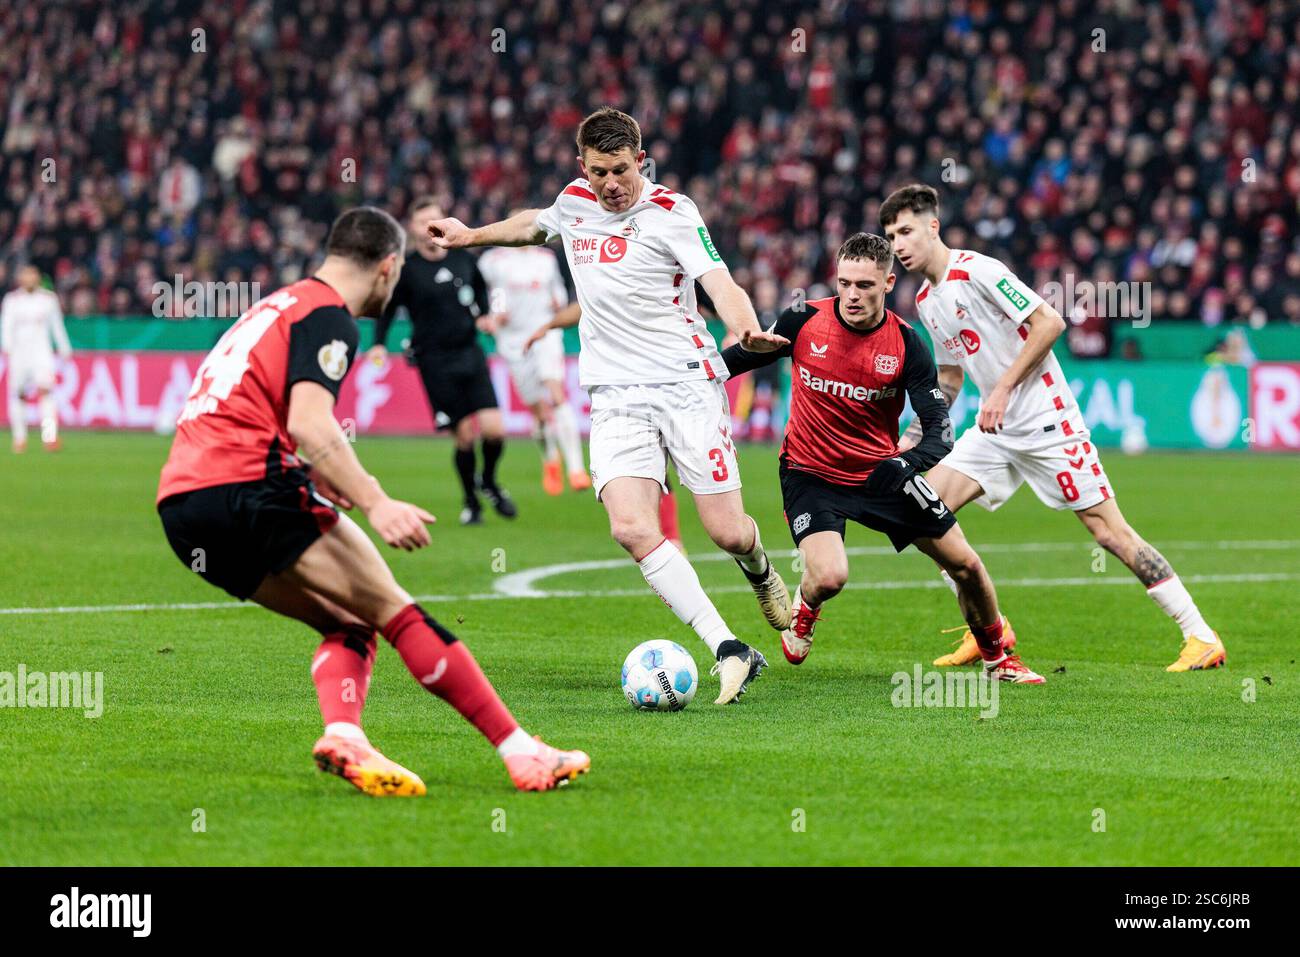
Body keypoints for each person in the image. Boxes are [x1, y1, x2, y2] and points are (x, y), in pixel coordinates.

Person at [156, 207, 589, 795]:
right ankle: (522, 751)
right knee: (395, 609)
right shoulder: (329, 317)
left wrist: (311, 470)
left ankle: (345, 736)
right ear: (388, 268)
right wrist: (377, 500)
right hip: (251, 488)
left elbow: (254, 409)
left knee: (348, 622)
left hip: (184, 508)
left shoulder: (276, 306)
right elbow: (310, 421)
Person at [427, 107, 791, 704]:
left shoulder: (674, 212)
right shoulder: (574, 201)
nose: (611, 184)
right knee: (629, 527)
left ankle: (760, 569)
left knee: (726, 532)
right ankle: (729, 647)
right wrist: (472, 234)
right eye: (600, 172)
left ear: (641, 161)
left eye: (621, 170)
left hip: (684, 384)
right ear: (583, 167)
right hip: (615, 394)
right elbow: (534, 225)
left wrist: (746, 329)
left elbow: (720, 282)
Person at [881, 184, 1224, 672]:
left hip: (1047, 423)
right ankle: (989, 630)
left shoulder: (979, 271)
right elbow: (951, 377)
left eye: (907, 231)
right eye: (891, 235)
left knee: (1109, 532)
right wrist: (914, 435)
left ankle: (1200, 635)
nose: (898, 244)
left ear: (933, 227)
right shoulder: (926, 300)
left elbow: (1049, 322)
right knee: (918, 512)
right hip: (996, 433)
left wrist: (1000, 390)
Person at [722, 233, 1043, 682]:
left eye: (865, 286)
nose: (852, 295)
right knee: (830, 577)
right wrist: (693, 376)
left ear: (889, 282)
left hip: (881, 473)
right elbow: (736, 362)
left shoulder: (907, 345)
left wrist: (903, 464)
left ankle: (997, 660)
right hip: (810, 473)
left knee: (966, 564)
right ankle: (807, 605)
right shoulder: (802, 319)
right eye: (845, 283)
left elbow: (940, 431)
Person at [367, 197, 515, 525]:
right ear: (413, 228)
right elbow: (387, 309)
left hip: (469, 351)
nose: (429, 225)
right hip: (434, 361)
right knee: (464, 436)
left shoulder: (463, 259)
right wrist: (378, 345)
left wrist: (486, 315)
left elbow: (482, 292)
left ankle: (488, 481)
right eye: (422, 221)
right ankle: (471, 501)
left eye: (434, 218)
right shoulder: (407, 269)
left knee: (494, 431)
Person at [477, 237, 588, 494]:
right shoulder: (494, 260)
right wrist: (497, 313)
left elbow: (558, 290)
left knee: (557, 395)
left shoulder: (545, 259)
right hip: (513, 341)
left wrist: (557, 302)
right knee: (538, 411)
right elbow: (493, 290)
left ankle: (576, 468)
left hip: (545, 333)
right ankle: (550, 458)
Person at [1, 265, 71, 453]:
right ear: (21, 279)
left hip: (42, 354)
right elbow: (6, 326)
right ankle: (19, 438)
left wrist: (64, 348)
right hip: (19, 355)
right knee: (18, 396)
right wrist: (6, 348)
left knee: (46, 394)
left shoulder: (48, 299)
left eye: (32, 275)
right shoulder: (12, 300)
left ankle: (49, 437)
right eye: (26, 275)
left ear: (38, 278)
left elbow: (57, 325)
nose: (29, 279)